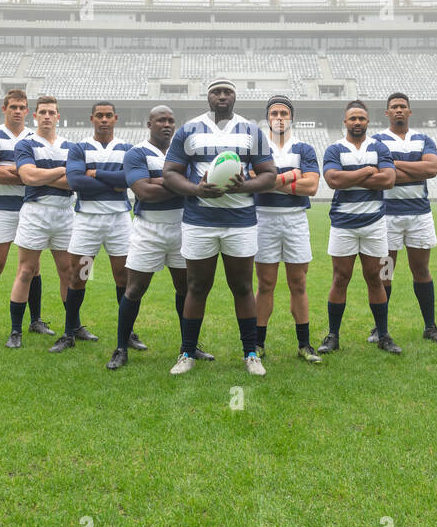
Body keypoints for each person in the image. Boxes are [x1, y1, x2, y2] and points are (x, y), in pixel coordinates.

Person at [161, 78, 277, 376]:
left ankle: (250, 354)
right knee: (197, 286)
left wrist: (243, 187)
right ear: (208, 97)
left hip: (240, 222)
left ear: (234, 97)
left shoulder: (252, 130)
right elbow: (170, 173)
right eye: (216, 92)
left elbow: (269, 175)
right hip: (200, 221)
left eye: (227, 92)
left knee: (242, 286)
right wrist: (197, 190)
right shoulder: (189, 129)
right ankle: (187, 352)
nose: (222, 96)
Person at [106, 105, 214, 370]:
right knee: (134, 290)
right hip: (148, 229)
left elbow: (187, 186)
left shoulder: (183, 155)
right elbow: (144, 192)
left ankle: (188, 346)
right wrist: (185, 188)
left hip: (182, 226)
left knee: (186, 289)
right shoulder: (136, 153)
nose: (167, 125)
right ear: (149, 124)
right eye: (161, 120)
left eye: (171, 121)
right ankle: (121, 347)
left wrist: (163, 183)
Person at [318, 100, 400, 356]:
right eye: (352, 118)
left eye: (361, 119)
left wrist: (350, 176)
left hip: (374, 224)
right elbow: (333, 180)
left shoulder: (379, 147)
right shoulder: (334, 149)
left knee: (375, 278)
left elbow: (388, 179)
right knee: (340, 278)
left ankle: (383, 334)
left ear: (368, 122)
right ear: (345, 121)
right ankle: (333, 335)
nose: (357, 122)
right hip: (343, 224)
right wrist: (366, 171)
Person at [0, 89, 52, 343]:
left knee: (33, 268)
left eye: (22, 107)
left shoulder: (35, 137)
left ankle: (35, 320)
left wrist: (9, 169)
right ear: (4, 108)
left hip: (33, 208)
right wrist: (26, 174)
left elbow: (39, 172)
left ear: (28, 111)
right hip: (2, 209)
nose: (17, 111)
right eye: (13, 107)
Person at [51, 101, 131, 353]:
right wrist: (114, 184)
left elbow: (128, 179)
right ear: (92, 119)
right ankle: (70, 332)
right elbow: (75, 180)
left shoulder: (127, 149)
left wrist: (94, 174)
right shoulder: (80, 148)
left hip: (119, 221)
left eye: (108, 115)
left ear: (116, 118)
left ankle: (127, 333)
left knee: (124, 277)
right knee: (79, 277)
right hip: (88, 222)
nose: (104, 119)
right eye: (99, 116)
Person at [370, 93, 437, 344]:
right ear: (387, 113)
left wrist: (393, 166)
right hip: (387, 217)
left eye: (403, 107)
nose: (399, 110)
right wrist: (413, 170)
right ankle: (380, 329)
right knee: (385, 272)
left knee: (421, 269)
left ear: (410, 111)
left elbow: (432, 169)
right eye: (394, 107)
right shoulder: (378, 140)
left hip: (419, 215)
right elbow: (379, 174)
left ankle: (430, 326)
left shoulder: (423, 138)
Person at [253, 94, 322, 363]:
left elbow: (312, 187)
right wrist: (293, 176)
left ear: (291, 117)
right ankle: (257, 344)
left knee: (298, 282)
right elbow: (252, 182)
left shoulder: (304, 149)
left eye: (284, 113)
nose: (279, 118)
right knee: (266, 283)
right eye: (274, 114)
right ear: (268, 118)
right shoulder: (258, 148)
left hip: (295, 219)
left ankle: (304, 344)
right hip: (264, 219)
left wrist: (272, 181)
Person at [4, 95, 76, 350]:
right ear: (35, 116)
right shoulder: (26, 144)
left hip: (65, 213)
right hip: (36, 212)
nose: (47, 116)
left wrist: (40, 177)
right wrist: (61, 171)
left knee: (68, 273)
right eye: (42, 112)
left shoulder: (71, 146)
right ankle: (15, 330)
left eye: (51, 112)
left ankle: (72, 327)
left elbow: (73, 182)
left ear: (58, 116)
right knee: (25, 271)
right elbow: (27, 175)